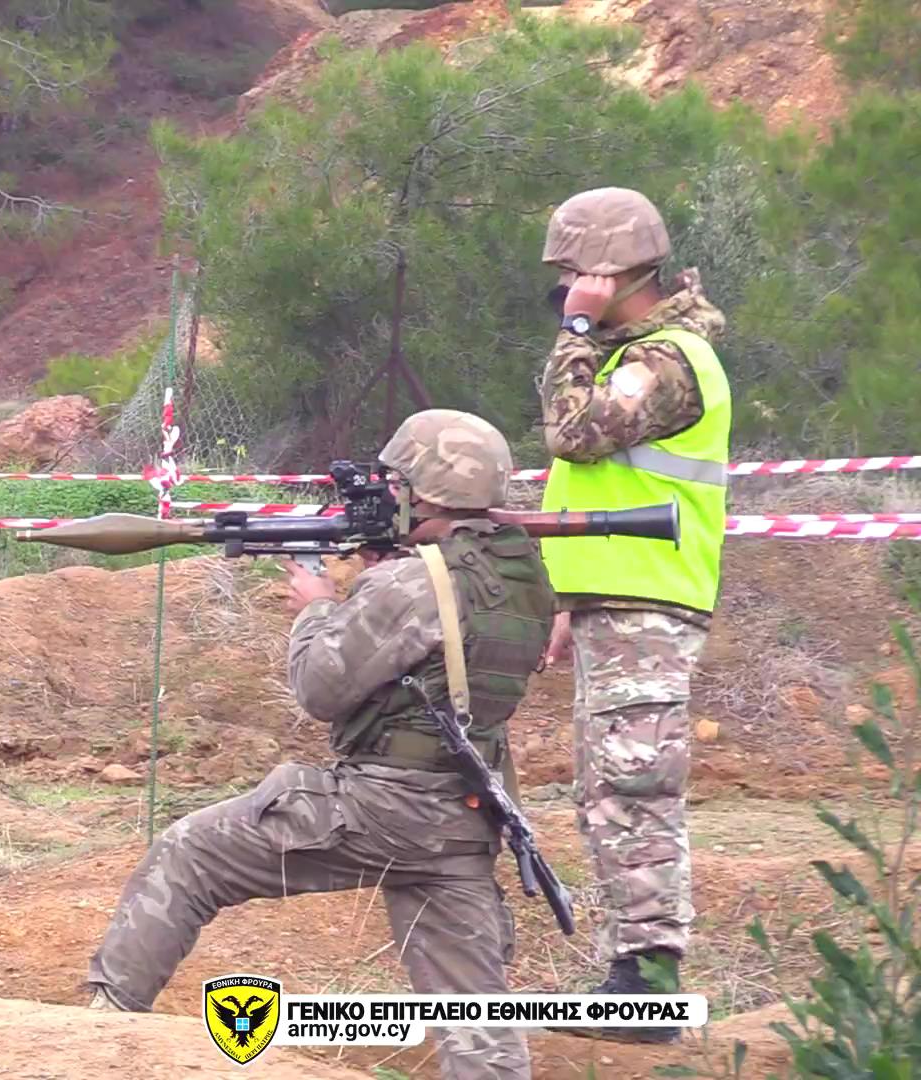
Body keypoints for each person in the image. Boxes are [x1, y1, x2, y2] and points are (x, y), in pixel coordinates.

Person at [85, 409, 555, 1080]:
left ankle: (96, 1035)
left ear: (419, 491)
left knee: (189, 854)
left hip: (384, 806)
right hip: (463, 815)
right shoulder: (520, 576)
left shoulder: (411, 581)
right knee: (474, 1014)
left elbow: (320, 688)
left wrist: (317, 603)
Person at [535, 186, 730, 1042]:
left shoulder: (670, 359)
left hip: (651, 604)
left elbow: (573, 435)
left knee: (635, 786)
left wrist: (572, 334)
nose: (568, 286)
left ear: (615, 270)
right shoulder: (636, 355)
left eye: (577, 272)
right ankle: (631, 973)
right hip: (618, 603)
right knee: (607, 791)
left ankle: (648, 984)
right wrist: (574, 597)